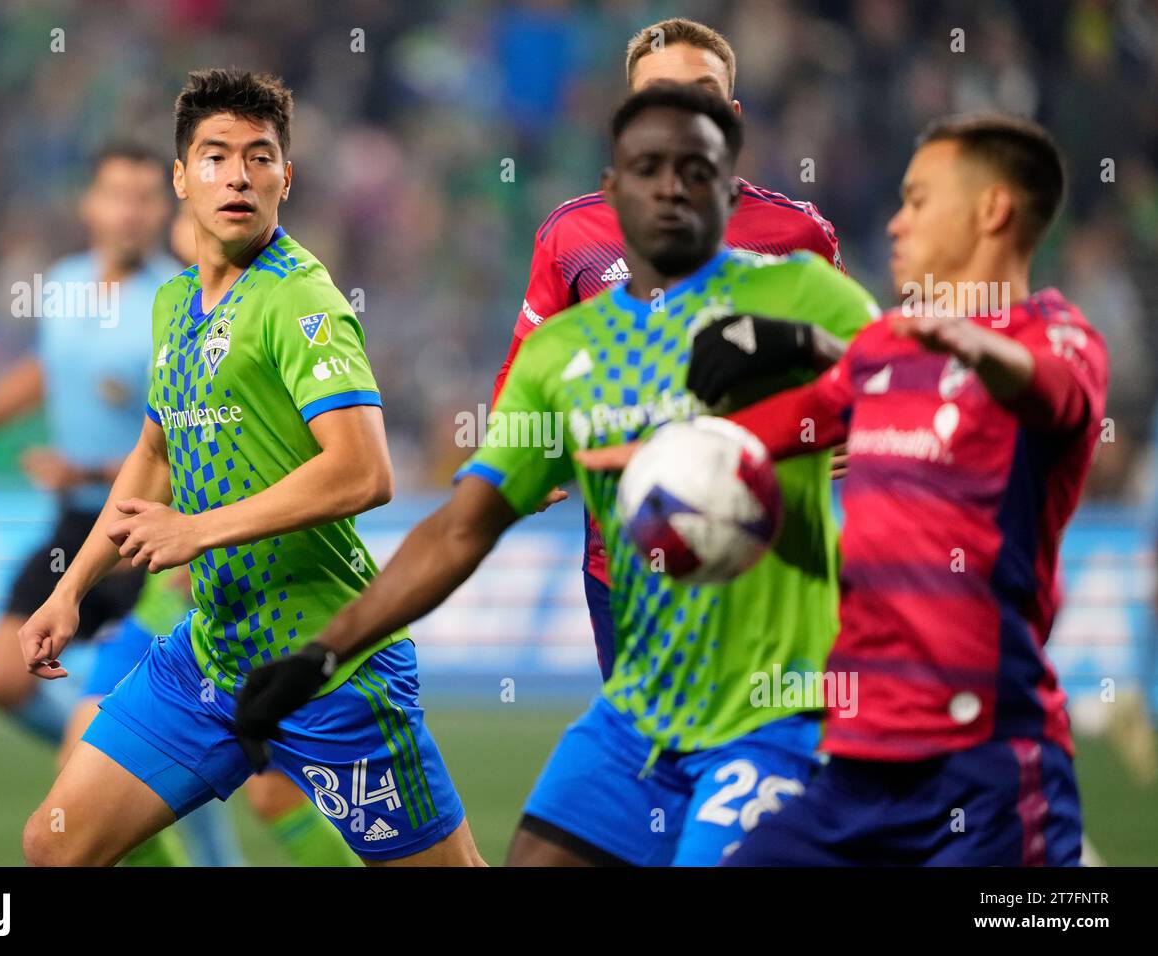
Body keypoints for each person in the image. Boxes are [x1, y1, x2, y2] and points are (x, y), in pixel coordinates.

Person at [235, 82, 878, 867]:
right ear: (611, 187)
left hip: (781, 709)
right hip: (642, 711)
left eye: (696, 169)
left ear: (730, 182)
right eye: (649, 167)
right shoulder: (564, 356)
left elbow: (935, 398)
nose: (672, 186)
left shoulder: (801, 290)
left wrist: (810, 348)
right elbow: (462, 527)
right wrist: (322, 655)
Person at [586, 114, 1107, 866]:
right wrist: (660, 455)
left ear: (992, 210)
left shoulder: (1055, 337)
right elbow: (797, 418)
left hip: (985, 761)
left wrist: (978, 346)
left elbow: (1054, 392)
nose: (896, 224)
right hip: (856, 763)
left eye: (919, 201)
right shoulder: (888, 345)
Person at [18, 68, 480, 866]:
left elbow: (365, 473)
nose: (238, 175)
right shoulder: (173, 306)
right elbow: (153, 457)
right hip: (212, 654)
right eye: (216, 156)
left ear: (286, 177)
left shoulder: (301, 301)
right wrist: (70, 590)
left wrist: (199, 531)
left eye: (260, 157)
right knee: (56, 847)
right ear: (180, 179)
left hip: (325, 668)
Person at [493, 17, 846, 681]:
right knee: (653, 775)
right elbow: (523, 383)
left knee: (764, 775)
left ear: (733, 117)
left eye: (702, 94)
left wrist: (847, 426)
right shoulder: (574, 235)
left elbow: (856, 381)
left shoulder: (800, 238)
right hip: (628, 570)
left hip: (769, 566)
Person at [0, 144, 173, 744]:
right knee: (3, 677)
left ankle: (121, 777)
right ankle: (107, 768)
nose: (129, 212)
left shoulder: (175, 302)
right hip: (74, 523)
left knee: (150, 716)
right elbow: (47, 370)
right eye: (116, 196)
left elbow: (186, 436)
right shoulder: (64, 283)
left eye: (144, 198)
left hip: (149, 534)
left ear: (165, 208)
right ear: (90, 204)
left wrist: (88, 469)